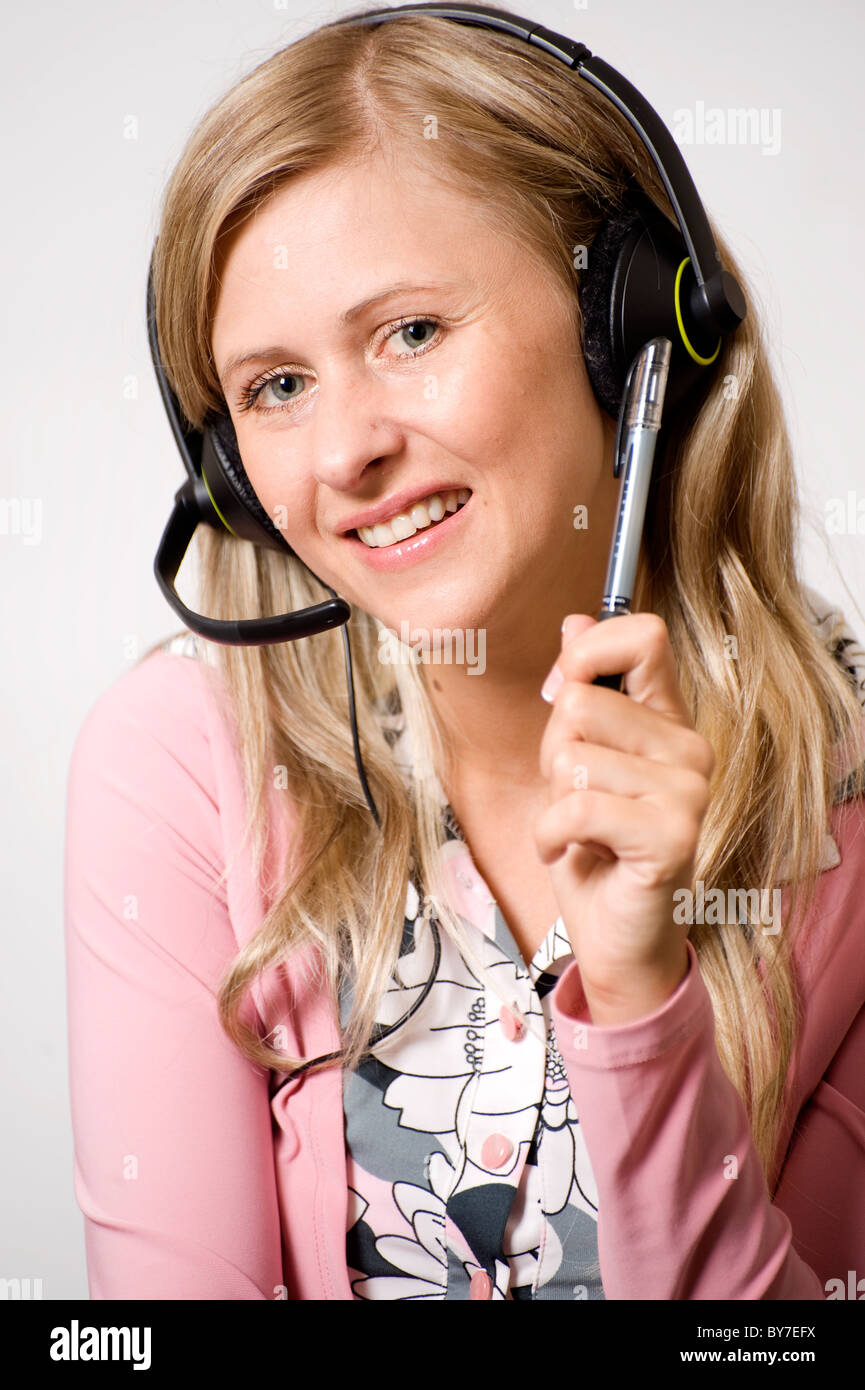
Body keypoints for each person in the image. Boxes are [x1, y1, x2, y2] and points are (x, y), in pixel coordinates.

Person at [64, 6, 865, 1300]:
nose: (343, 455)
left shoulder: (840, 794)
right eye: (274, 388)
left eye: (411, 333)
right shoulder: (181, 762)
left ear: (631, 328)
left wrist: (643, 999)